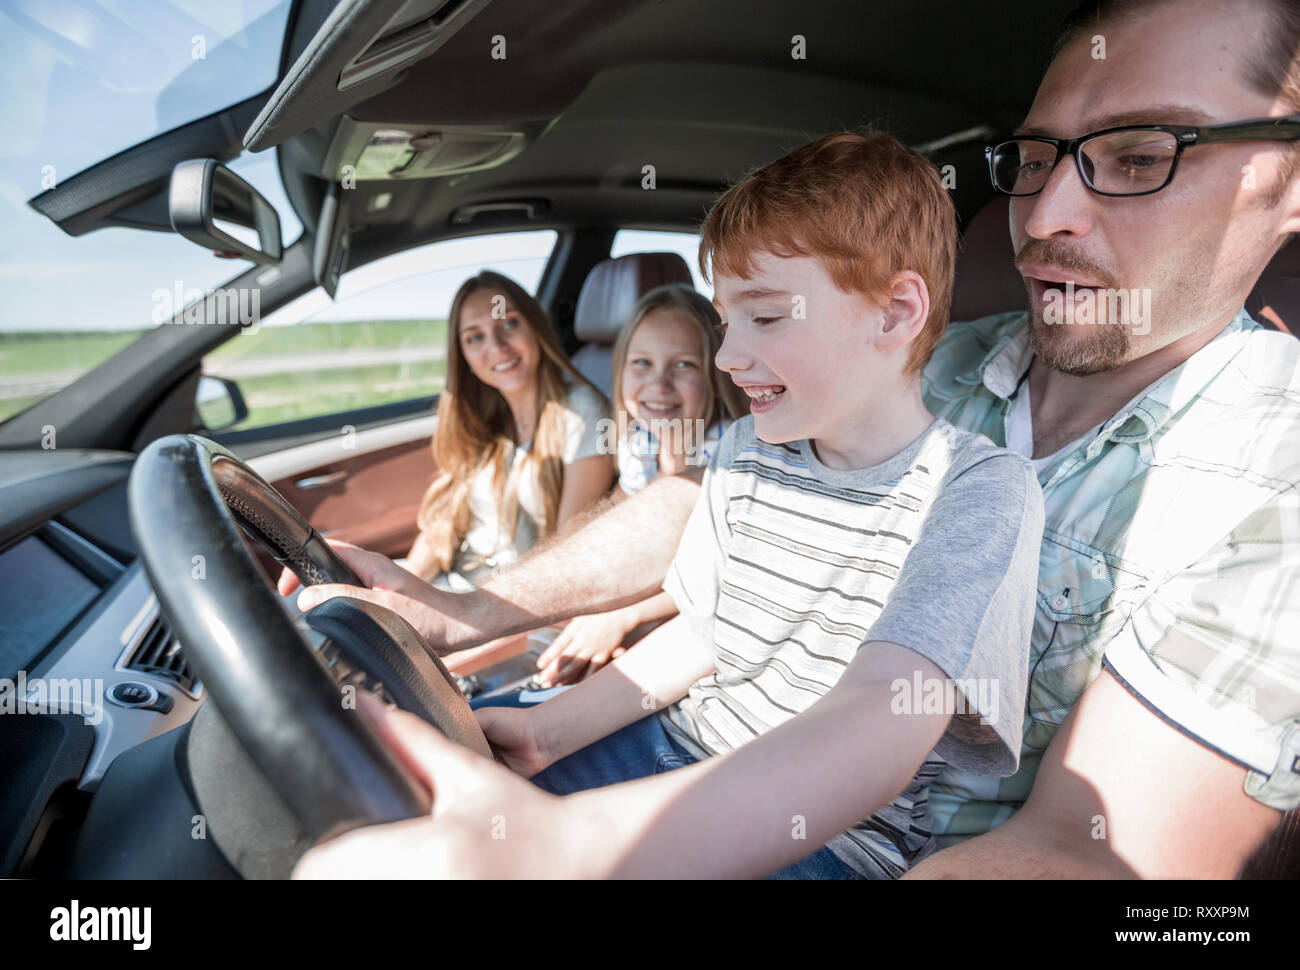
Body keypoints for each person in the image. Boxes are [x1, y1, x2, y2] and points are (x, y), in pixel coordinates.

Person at [287, 0, 1300, 879]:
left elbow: (1084, 853)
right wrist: (465, 609)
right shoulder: (940, 362)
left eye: (1139, 154)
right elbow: (718, 523)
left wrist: (573, 848)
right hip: (682, 741)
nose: (1043, 216)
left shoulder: (1270, 475)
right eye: (1033, 162)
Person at [292, 130, 1047, 879]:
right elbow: (707, 635)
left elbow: (882, 717)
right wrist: (549, 732)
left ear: (894, 312)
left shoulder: (978, 492)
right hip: (667, 741)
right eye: (727, 320)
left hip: (826, 836)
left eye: (767, 316)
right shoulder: (750, 453)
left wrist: (565, 843)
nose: (728, 356)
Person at [534, 284, 746, 686]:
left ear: (716, 372)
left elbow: (714, 577)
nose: (659, 384)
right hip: (652, 598)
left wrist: (621, 615)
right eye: (642, 363)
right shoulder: (640, 441)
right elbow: (623, 514)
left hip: (705, 621)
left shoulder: (727, 455)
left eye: (684, 365)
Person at [403, 271, 613, 590]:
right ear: (464, 357)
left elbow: (565, 553)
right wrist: (399, 593)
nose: (497, 347)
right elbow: (442, 527)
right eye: (475, 337)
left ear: (535, 327)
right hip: (458, 581)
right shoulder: (482, 415)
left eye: (509, 323)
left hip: (514, 595)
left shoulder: (581, 413)